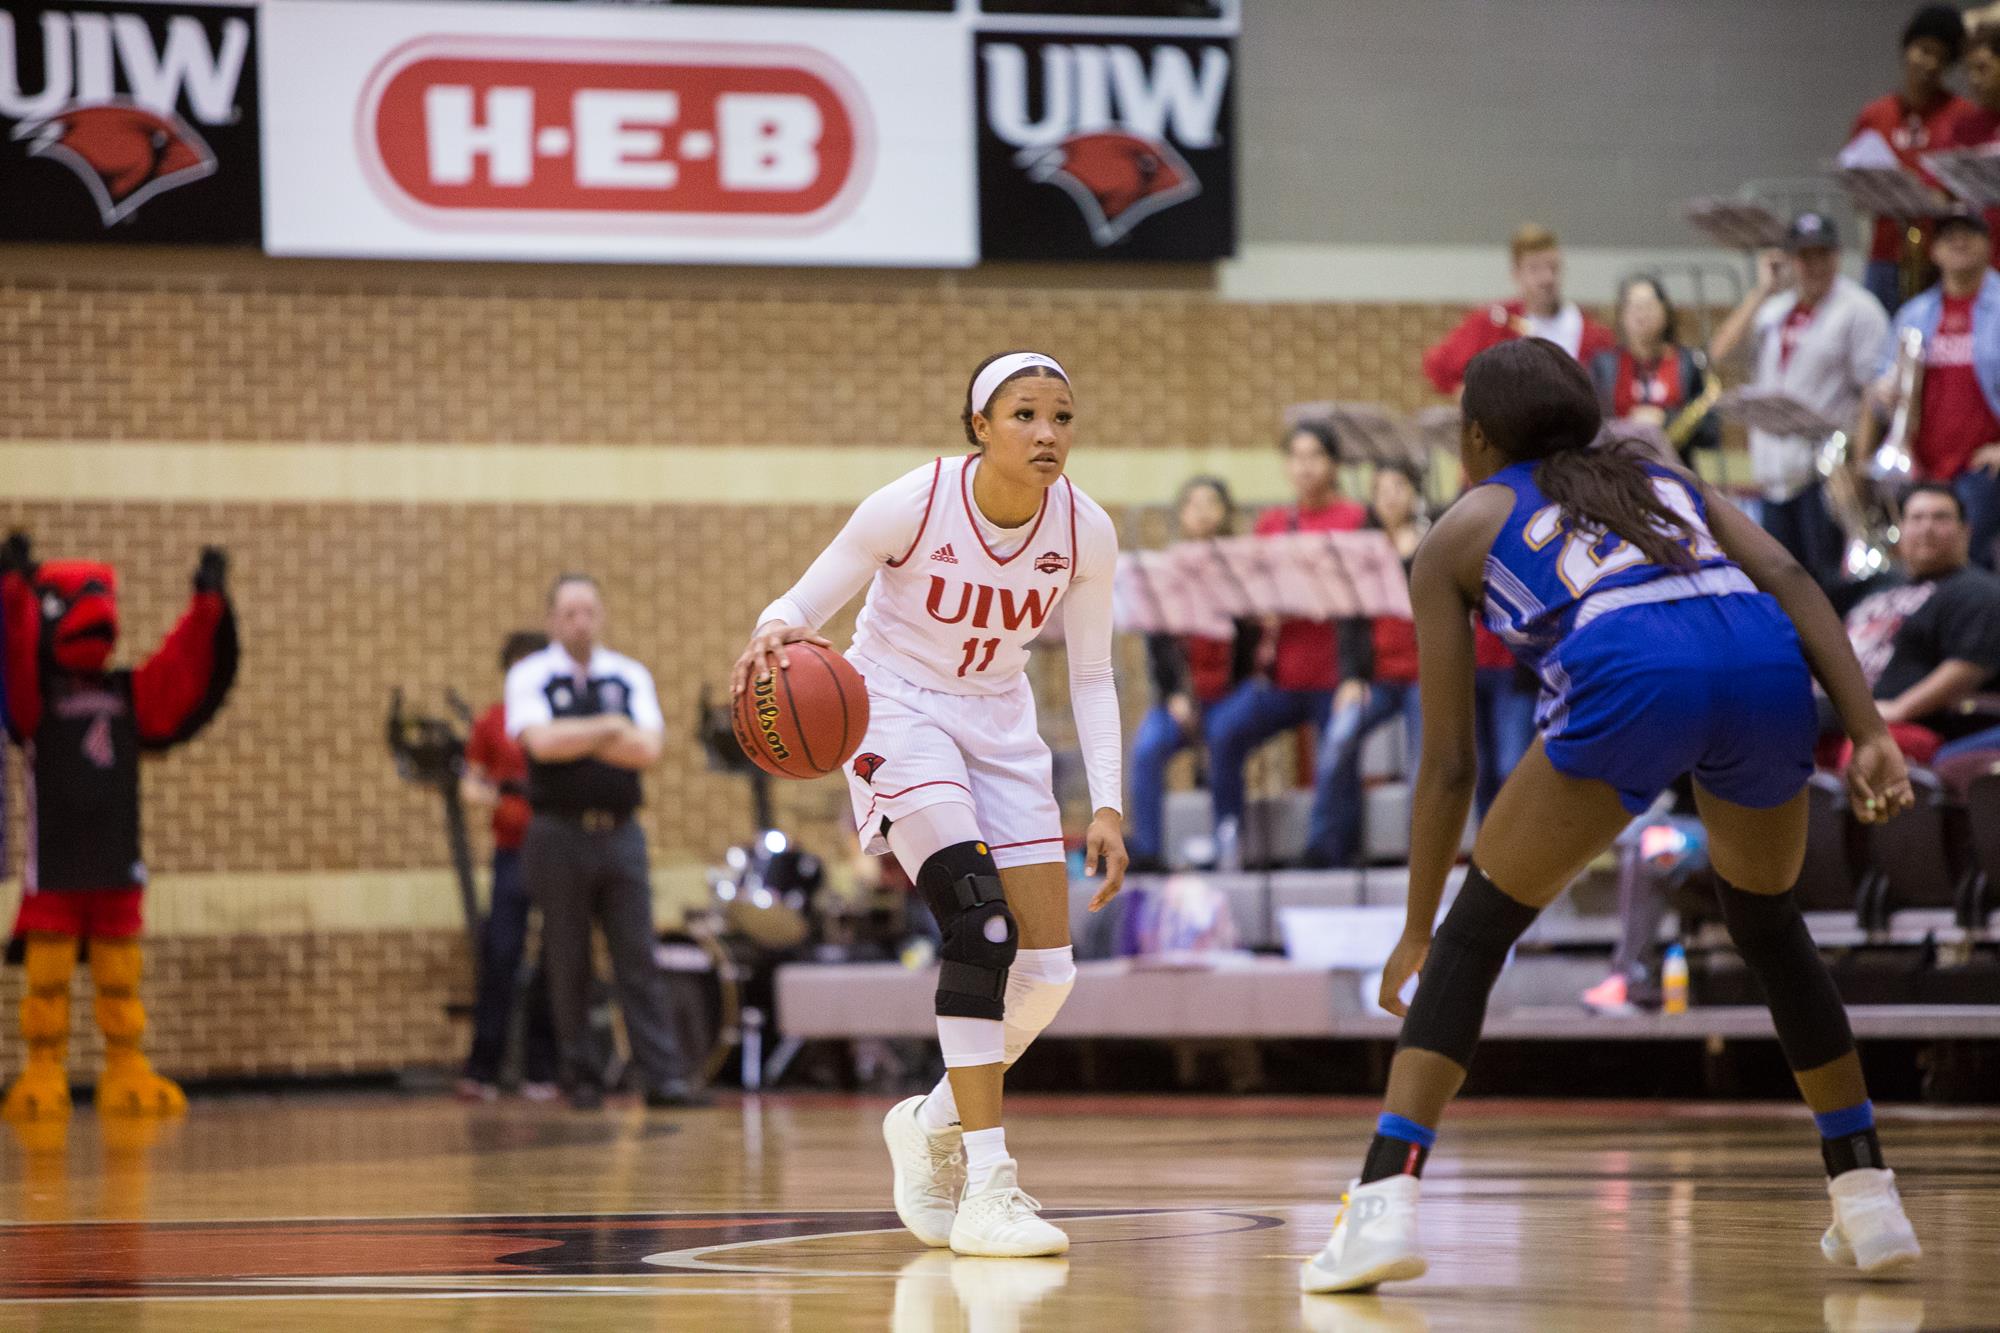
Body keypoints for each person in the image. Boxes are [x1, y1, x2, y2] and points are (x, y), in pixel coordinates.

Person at [1300, 339, 1922, 1296]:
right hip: (1764, 666)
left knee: (1477, 936)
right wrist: (1867, 728)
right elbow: (1794, 579)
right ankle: (1868, 1192)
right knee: (1768, 921)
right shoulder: (1657, 471)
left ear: (1473, 437)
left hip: (1638, 669)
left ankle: (1382, 1202)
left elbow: (1450, 764)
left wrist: (1419, 924)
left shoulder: (1461, 529)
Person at [732, 350, 1127, 1258]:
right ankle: (989, 1181)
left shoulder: (1086, 530)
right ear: (979, 426)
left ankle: (926, 1120)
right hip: (895, 708)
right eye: (1025, 415)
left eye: (1062, 417)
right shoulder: (911, 502)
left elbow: (1096, 673)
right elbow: (798, 605)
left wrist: (1107, 802)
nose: (1047, 434)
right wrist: (768, 637)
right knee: (980, 925)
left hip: (1001, 721)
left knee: (1049, 974)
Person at [507, 575, 704, 1111]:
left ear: (601, 615)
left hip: (620, 832)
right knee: (566, 958)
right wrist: (610, 728)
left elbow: (648, 750)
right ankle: (582, 1075)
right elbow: (541, 745)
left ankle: (662, 1078)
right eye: (569, 613)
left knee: (637, 956)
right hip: (556, 833)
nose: (580, 622)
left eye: (588, 611)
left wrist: (580, 735)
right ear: (552, 619)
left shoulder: (628, 673)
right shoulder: (530, 675)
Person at [1203, 424, 1366, 870]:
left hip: (1339, 676)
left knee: (1338, 747)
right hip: (1282, 675)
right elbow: (1253, 592)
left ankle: (1327, 851)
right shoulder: (1273, 523)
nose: (1305, 466)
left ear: (1333, 464)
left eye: (1315, 456)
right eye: (1296, 457)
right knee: (1223, 730)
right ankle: (1228, 838)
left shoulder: (1354, 518)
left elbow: (1366, 594)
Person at [1708, 214, 1890, 589]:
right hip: (1774, 469)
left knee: (1826, 581)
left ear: (1837, 257)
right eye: (1805, 257)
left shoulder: (1860, 309)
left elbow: (1873, 389)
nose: (1814, 266)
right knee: (1781, 580)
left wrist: (1859, 465)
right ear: (1791, 260)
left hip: (1825, 471)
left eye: (1822, 255)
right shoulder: (1773, 311)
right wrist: (1762, 290)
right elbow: (1720, 355)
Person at [1126, 476, 1255, 873]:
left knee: (1223, 736)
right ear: (1181, 514)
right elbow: (1158, 643)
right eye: (1193, 504)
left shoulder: (1240, 571)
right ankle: (1148, 850)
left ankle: (1227, 844)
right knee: (1147, 748)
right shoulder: (1166, 572)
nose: (1202, 512)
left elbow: (1251, 642)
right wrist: (1174, 695)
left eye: (1211, 503)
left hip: (1231, 695)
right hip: (1183, 697)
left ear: (1225, 513)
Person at [1303, 464, 1426, 868]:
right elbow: (1350, 620)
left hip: (1425, 677)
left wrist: (1415, 554)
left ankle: (1421, 853)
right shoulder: (1363, 549)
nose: (1390, 496)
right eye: (1380, 489)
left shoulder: (1435, 537)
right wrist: (1352, 676)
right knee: (1338, 737)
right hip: (1376, 677)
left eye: (1398, 484)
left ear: (1414, 492)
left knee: (1422, 762)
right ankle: (1325, 845)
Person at [1863, 211, 2000, 569]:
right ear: (1933, 250)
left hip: (1981, 469)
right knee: (1917, 567)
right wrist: (1883, 392)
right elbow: (1881, 386)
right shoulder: (1913, 314)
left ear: (1988, 245)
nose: (1958, 241)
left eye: (1969, 233)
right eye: (1948, 235)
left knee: (1969, 567)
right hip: (1921, 466)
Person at [458, 629, 560, 1102]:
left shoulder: (560, 721)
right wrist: (500, 794)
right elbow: (470, 785)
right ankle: (482, 1069)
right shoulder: (492, 721)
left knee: (554, 961)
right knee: (501, 954)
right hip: (511, 856)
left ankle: (544, 1069)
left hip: (557, 851)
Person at [1829, 484, 2000, 762]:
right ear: (1902, 529)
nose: (1927, 528)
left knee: (1870, 750)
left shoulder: (1980, 591)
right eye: (1917, 518)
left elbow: (1969, 666)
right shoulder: (1880, 583)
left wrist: (1900, 708)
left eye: (1940, 518)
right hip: (1837, 716)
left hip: (1911, 726)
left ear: (1966, 530)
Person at [1848, 6, 1970, 312]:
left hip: (1939, 255)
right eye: (1923, 50)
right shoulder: (1876, 114)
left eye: (1941, 57)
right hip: (1885, 254)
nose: (1929, 63)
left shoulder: (1960, 115)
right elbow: (1856, 187)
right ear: (1908, 48)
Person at [1422, 224, 1617, 398]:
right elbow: (1438, 366)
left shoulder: (1593, 334)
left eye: (1553, 268)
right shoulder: (1495, 323)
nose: (1547, 278)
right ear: (1516, 274)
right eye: (1535, 269)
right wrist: (1476, 399)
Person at [1588, 275, 1720, 471]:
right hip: (1618, 473)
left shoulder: (1689, 361)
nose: (1642, 314)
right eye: (1634, 306)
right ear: (1622, 314)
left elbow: (1711, 433)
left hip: (1676, 473)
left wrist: (1665, 419)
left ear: (1666, 311)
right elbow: (1590, 428)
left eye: (1649, 305)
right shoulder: (1603, 364)